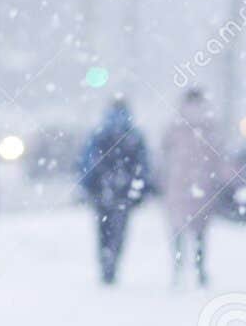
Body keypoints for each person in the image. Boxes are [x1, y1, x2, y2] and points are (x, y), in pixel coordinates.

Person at [78, 98, 152, 284]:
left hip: (101, 190)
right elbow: (143, 165)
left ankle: (105, 263)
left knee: (103, 229)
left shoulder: (100, 134)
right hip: (124, 192)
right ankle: (113, 260)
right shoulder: (134, 135)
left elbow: (87, 161)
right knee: (119, 229)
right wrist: (142, 188)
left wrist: (87, 185)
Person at [160, 88, 229, 287]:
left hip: (178, 184)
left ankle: (178, 267)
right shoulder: (210, 127)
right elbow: (219, 157)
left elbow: (163, 156)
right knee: (200, 231)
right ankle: (199, 269)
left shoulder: (174, 126)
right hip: (202, 184)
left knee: (177, 229)